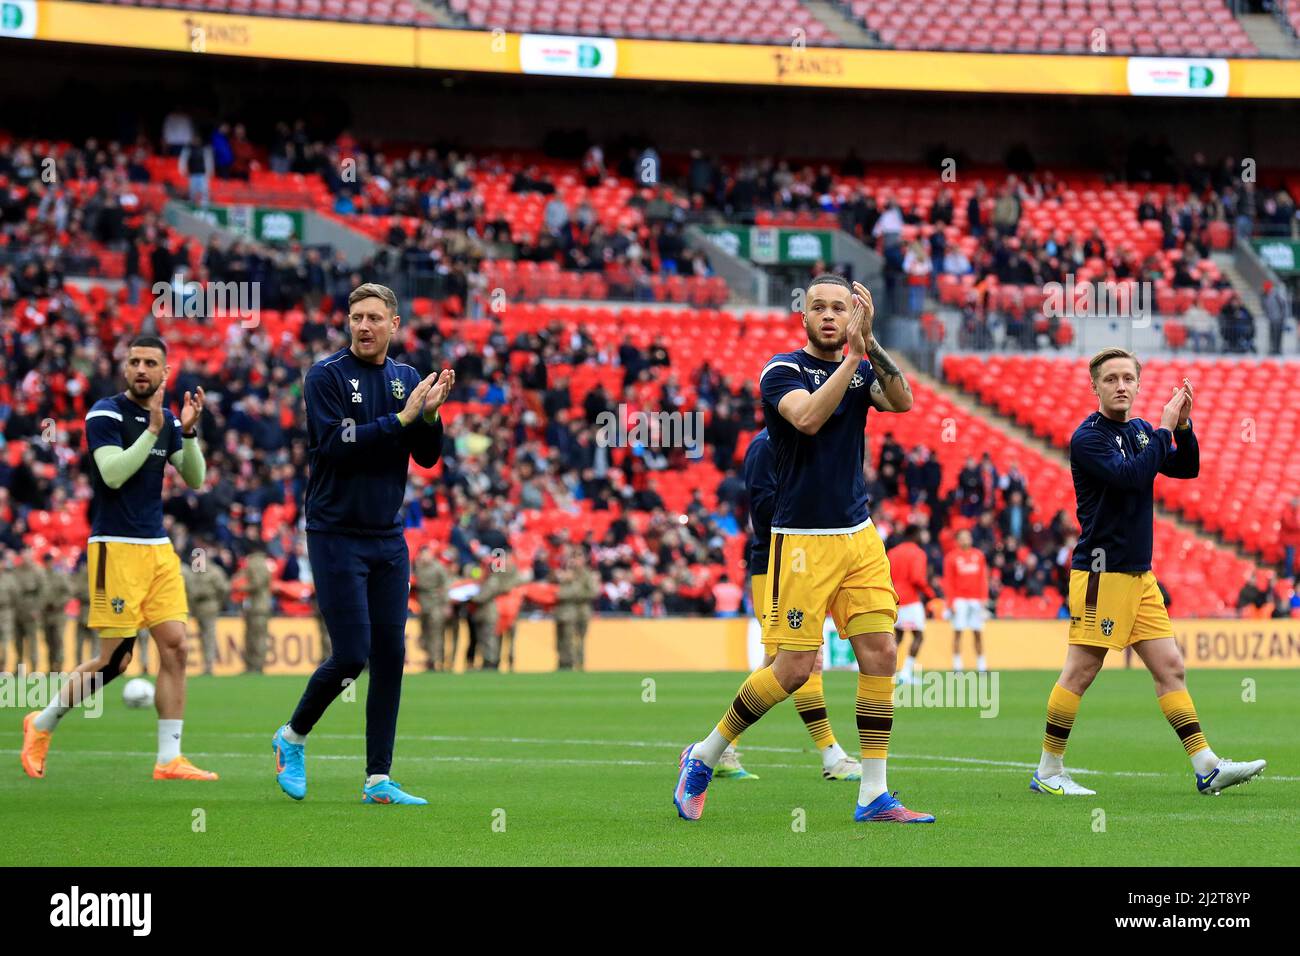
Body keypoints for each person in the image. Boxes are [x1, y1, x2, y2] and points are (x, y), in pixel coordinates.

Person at [673, 275, 934, 824]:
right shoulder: (781, 370)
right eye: (819, 307)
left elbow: (904, 401)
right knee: (792, 668)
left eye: (841, 308)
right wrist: (854, 361)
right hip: (802, 543)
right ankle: (704, 754)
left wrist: (873, 345)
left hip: (859, 535)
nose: (830, 315)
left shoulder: (863, 365)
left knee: (882, 653)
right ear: (804, 317)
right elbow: (810, 418)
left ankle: (873, 793)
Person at [1029, 347, 1265, 797]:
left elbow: (1187, 467)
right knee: (1081, 671)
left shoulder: (1139, 431)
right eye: (1111, 379)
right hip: (1102, 572)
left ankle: (1206, 766)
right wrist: (1163, 427)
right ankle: (1049, 769)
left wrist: (1184, 427)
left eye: (1127, 379)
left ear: (1137, 384)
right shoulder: (1089, 438)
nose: (1120, 386)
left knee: (1171, 667)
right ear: (1094, 386)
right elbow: (1132, 477)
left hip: (1139, 574)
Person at [272, 283, 452, 806]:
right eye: (356, 317)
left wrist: (431, 415)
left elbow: (426, 458)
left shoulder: (407, 379)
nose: (364, 326)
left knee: (392, 654)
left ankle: (378, 779)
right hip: (334, 534)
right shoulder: (325, 376)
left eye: (375, 317)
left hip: (387, 537)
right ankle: (292, 737)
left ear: (394, 324)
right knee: (352, 654)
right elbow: (335, 444)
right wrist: (400, 420)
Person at [20, 335, 217, 781]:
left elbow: (196, 479)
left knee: (176, 647)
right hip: (114, 547)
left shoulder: (168, 419)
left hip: (157, 549)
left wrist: (185, 431)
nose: (142, 369)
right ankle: (41, 722)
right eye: (134, 362)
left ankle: (169, 759)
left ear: (166, 373)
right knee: (115, 662)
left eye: (151, 363)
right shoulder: (105, 414)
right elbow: (111, 474)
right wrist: (151, 431)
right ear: (124, 369)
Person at [714, 427, 863, 783]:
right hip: (777, 565)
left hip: (807, 565)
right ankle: (832, 755)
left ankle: (717, 748)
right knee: (801, 660)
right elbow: (763, 511)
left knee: (781, 663)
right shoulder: (766, 447)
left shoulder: (806, 444)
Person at [889, 525, 931, 685]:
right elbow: (917, 578)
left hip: (894, 599)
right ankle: (905, 673)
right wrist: (931, 594)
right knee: (918, 635)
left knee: (897, 637)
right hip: (911, 600)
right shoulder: (918, 553)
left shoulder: (892, 552)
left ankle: (887, 673)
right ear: (915, 534)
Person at [944, 528, 989, 672]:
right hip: (960, 600)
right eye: (962, 538)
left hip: (976, 600)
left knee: (978, 633)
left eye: (967, 537)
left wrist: (984, 598)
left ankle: (982, 666)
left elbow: (983, 578)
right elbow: (949, 581)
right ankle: (957, 666)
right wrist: (950, 602)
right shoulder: (951, 557)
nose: (965, 540)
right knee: (958, 632)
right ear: (957, 541)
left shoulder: (979, 555)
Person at [182, 551, 229, 676]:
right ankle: (206, 664)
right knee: (202, 636)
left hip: (209, 605)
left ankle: (209, 665)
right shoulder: (194, 572)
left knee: (208, 636)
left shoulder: (213, 571)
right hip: (197, 606)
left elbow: (224, 589)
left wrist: (217, 602)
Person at [237, 542, 273, 674]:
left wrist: (241, 587)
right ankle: (256, 666)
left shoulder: (253, 563)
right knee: (258, 637)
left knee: (254, 638)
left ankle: (254, 667)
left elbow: (256, 583)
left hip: (256, 606)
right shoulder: (265, 563)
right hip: (262, 606)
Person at [413, 545, 450, 671]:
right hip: (422, 605)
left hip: (436, 604)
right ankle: (429, 658)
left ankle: (436, 661)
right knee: (424, 635)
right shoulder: (417, 567)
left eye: (428, 554)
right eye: (424, 554)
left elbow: (446, 586)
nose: (426, 556)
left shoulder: (438, 567)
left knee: (436, 634)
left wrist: (446, 604)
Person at [38, 553, 74, 674]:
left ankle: (59, 667)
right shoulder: (41, 576)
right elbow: (37, 594)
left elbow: (69, 592)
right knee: (48, 641)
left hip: (58, 614)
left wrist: (58, 603)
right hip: (45, 614)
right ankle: (50, 666)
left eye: (50, 561)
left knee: (58, 640)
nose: (48, 564)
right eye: (46, 562)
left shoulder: (60, 576)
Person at [1262, 280, 1289, 356]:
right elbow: (1265, 307)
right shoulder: (1265, 296)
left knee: (1278, 335)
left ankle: (1278, 349)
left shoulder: (1276, 295)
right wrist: (1267, 315)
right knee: (1272, 334)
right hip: (1271, 319)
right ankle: (1273, 348)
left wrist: (1283, 317)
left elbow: (1283, 305)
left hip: (1278, 318)